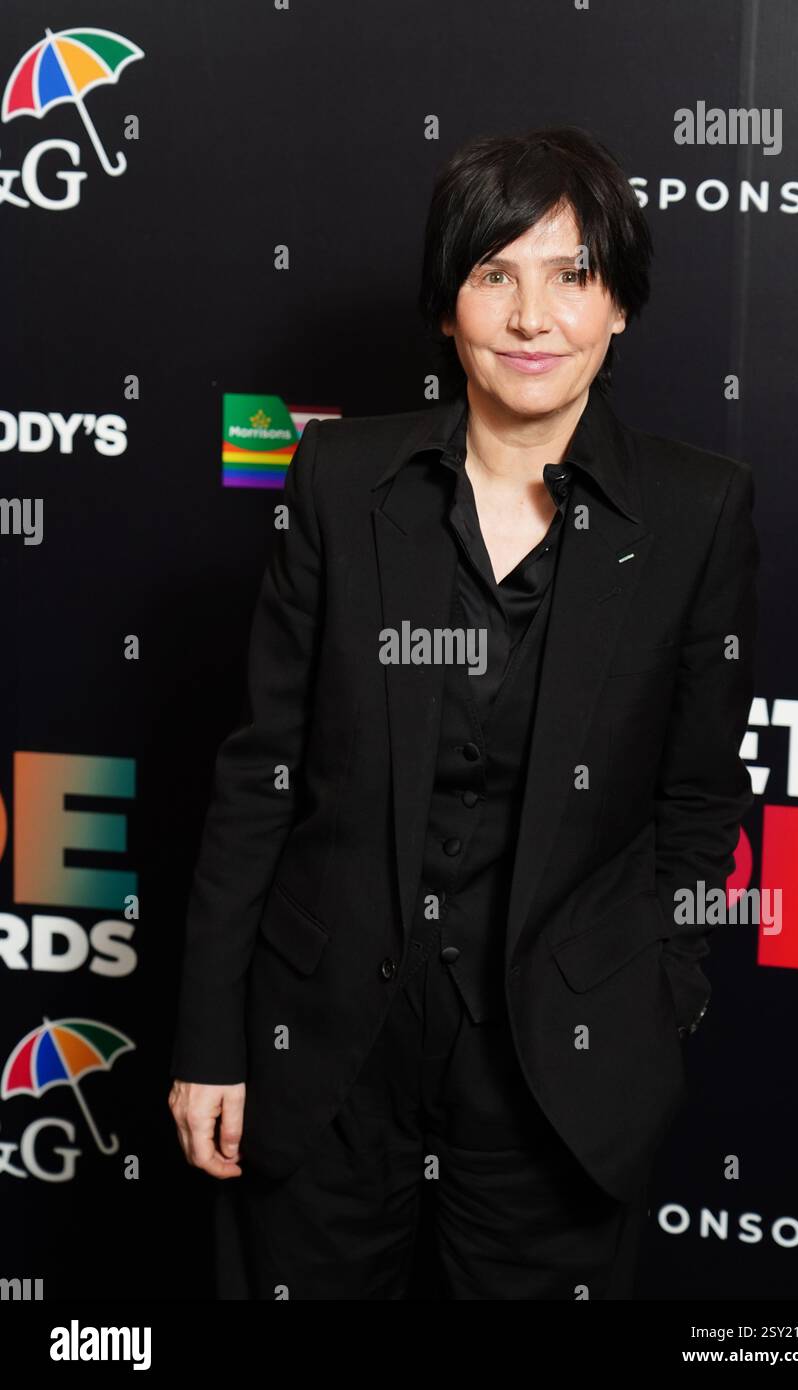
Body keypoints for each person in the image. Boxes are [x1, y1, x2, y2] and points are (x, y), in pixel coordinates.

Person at [168, 125, 759, 1300]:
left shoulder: (698, 512)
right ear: (448, 309)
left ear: (620, 306)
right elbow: (261, 775)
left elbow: (698, 801)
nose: (533, 316)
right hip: (327, 1054)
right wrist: (213, 1041)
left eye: (571, 275)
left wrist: (657, 992)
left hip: (557, 1073)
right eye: (495, 274)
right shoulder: (341, 481)